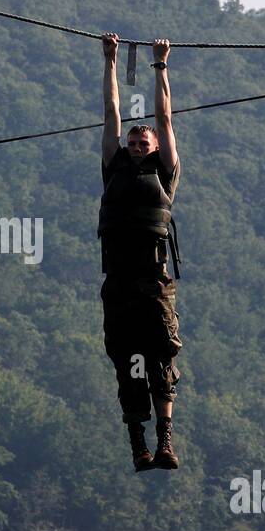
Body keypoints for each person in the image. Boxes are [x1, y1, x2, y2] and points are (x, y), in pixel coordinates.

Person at [99, 33, 182, 472]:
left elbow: (165, 118)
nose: (134, 148)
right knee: (127, 365)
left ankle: (165, 441)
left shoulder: (164, 172)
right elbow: (112, 114)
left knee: (161, 359)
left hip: (153, 284)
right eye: (131, 143)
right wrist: (110, 61)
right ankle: (139, 447)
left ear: (153, 150)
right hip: (118, 286)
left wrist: (160, 64)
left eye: (141, 144)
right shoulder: (112, 166)